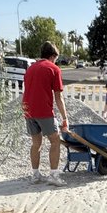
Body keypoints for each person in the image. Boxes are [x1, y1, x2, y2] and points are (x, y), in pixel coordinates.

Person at [21, 40, 69, 184]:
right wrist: (65, 118)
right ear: (53, 55)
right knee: (55, 140)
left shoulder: (30, 68)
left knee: (36, 143)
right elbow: (58, 97)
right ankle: (54, 176)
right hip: (43, 110)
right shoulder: (53, 69)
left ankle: (35, 175)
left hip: (28, 109)